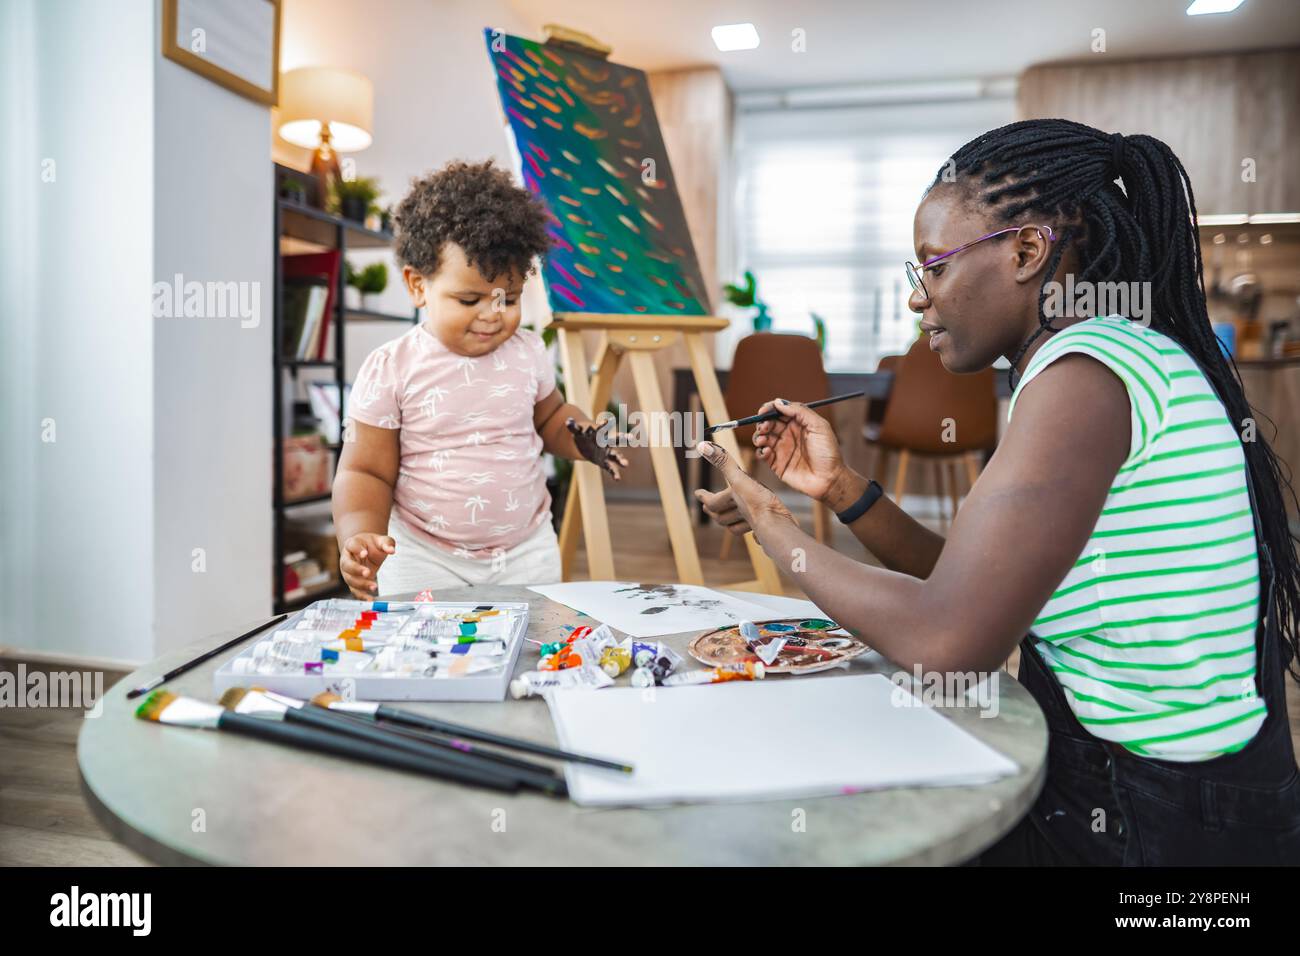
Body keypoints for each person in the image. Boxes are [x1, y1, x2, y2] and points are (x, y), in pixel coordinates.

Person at [694, 119, 1300, 865]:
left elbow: (946, 645)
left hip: (1151, 818)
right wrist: (843, 489)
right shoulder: (1119, 353)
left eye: (933, 266)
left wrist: (772, 518)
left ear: (1025, 250)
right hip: (1186, 799)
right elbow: (976, 588)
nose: (919, 300)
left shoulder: (1085, 374)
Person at [334, 160, 627, 596]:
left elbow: (550, 419)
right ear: (417, 286)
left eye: (507, 298)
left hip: (526, 550)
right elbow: (364, 471)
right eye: (469, 298)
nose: (493, 315)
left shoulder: (527, 352)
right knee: (420, 654)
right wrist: (359, 537)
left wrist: (584, 436)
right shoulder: (392, 367)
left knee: (532, 648)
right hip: (421, 554)